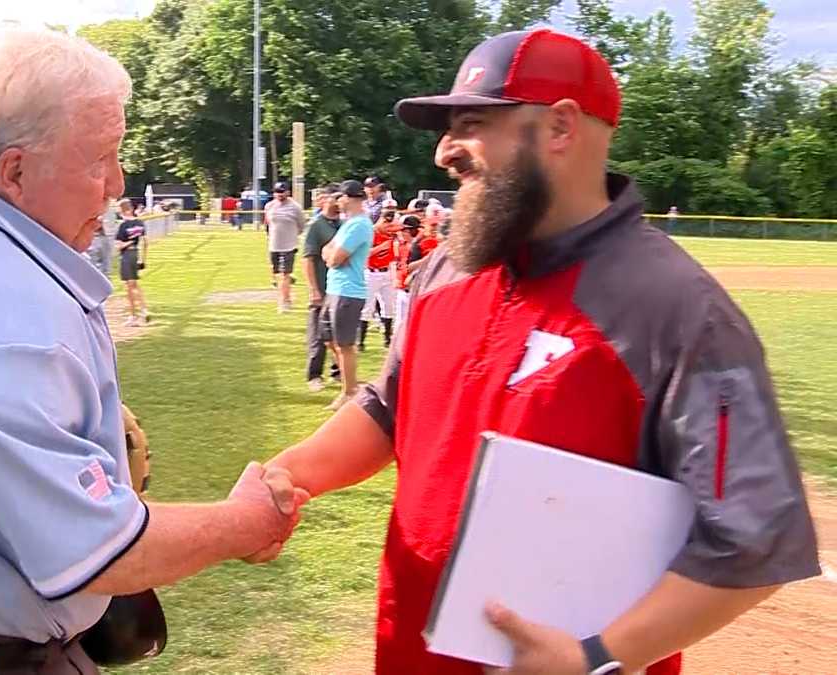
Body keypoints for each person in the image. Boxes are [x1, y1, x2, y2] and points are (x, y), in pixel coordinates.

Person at [266, 28, 819, 675]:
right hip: (409, 650)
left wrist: (598, 657)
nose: (445, 150)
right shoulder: (449, 266)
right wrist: (292, 474)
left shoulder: (682, 310)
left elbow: (754, 539)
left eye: (471, 124)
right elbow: (392, 405)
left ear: (560, 127)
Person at [0, 29, 306, 675]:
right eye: (100, 158)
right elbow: (99, 550)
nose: (117, 182)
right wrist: (244, 521)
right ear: (17, 171)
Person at [320, 180, 374, 411]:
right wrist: (333, 255)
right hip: (334, 289)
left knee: (344, 344)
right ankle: (350, 383)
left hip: (348, 291)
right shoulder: (348, 224)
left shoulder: (359, 225)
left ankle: (349, 391)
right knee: (329, 339)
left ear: (349, 197)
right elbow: (326, 251)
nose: (336, 201)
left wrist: (333, 255)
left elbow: (333, 258)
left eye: (339, 197)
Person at [301, 184, 342, 392]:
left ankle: (339, 372)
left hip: (339, 287)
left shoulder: (344, 224)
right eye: (335, 199)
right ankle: (314, 375)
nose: (339, 203)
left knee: (339, 332)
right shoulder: (316, 225)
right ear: (326, 200)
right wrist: (313, 289)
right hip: (322, 285)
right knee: (318, 334)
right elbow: (308, 258)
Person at [359, 200, 399, 351]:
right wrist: (381, 247)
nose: (388, 223)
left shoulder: (393, 232)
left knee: (388, 306)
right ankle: (360, 341)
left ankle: (387, 339)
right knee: (367, 307)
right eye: (385, 219)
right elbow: (364, 254)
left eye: (390, 218)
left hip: (387, 271)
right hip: (372, 272)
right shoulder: (372, 232)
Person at [264, 182, 306, 312]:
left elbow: (301, 225)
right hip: (274, 245)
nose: (280, 195)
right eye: (277, 192)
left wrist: (292, 236)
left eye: (282, 192)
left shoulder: (295, 207)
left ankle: (284, 302)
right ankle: (285, 291)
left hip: (289, 246)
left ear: (288, 192)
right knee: (277, 274)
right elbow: (267, 224)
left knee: (284, 275)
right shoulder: (269, 206)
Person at [115, 198, 150, 326]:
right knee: (135, 284)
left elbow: (118, 245)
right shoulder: (140, 223)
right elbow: (146, 242)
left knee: (128, 287)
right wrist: (143, 259)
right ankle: (144, 309)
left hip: (126, 255)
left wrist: (127, 243)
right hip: (135, 254)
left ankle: (132, 316)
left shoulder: (123, 225)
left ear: (123, 210)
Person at [390, 215, 422, 345]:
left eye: (405, 230)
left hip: (416, 290)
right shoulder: (400, 244)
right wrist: (395, 278)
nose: (402, 233)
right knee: (399, 323)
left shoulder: (421, 245)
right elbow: (395, 263)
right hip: (402, 288)